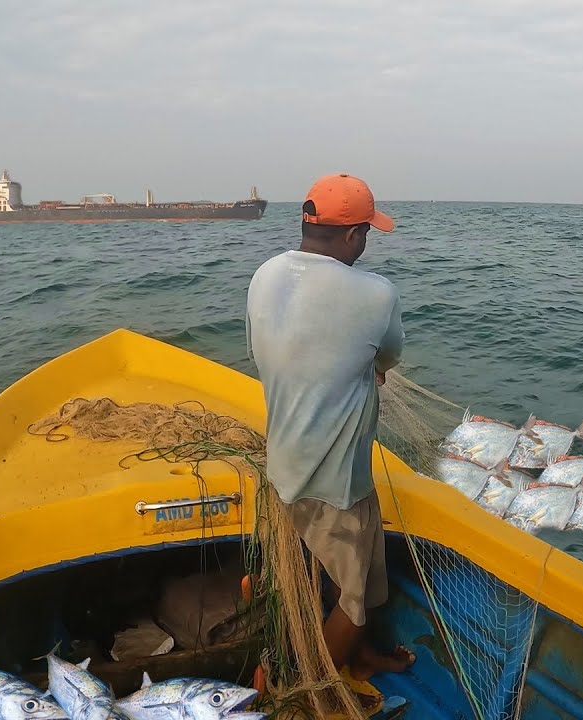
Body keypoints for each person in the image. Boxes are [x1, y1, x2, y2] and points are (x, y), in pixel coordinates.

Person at [245, 173, 414, 679]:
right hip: (337, 485)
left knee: (353, 566)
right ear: (352, 235)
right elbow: (387, 357)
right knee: (353, 601)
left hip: (283, 467)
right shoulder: (377, 294)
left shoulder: (264, 275)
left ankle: (361, 657)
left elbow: (259, 352)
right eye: (366, 232)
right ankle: (311, 684)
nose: (366, 242)